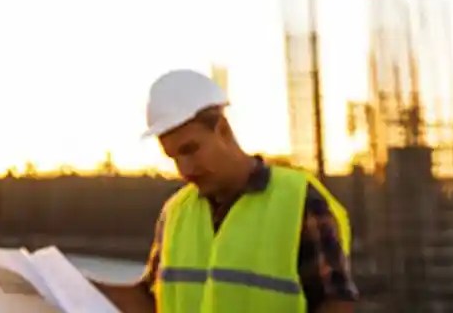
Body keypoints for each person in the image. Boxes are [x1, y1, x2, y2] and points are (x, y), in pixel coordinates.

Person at [90, 68, 360, 312]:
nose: (184, 169)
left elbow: (336, 304)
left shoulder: (299, 201)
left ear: (223, 130)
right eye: (173, 157)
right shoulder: (175, 213)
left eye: (190, 150)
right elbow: (151, 301)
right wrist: (72, 287)